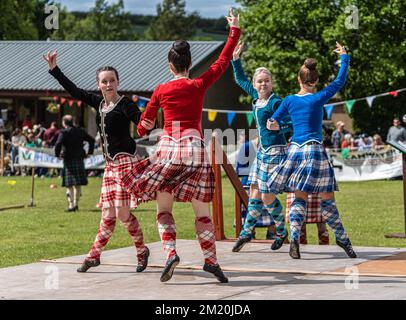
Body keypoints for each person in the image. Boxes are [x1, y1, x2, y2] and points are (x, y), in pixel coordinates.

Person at [124, 8, 241, 283]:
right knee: (202, 211)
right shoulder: (199, 84)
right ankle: (211, 261)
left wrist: (139, 127)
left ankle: (170, 253)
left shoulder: (161, 90)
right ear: (189, 65)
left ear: (170, 66)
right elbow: (223, 61)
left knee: (164, 209)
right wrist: (234, 30)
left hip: (168, 149)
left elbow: (144, 126)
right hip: (195, 148)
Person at [43, 50, 154, 273]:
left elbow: (143, 124)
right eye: (104, 81)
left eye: (112, 80)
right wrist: (54, 69)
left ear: (118, 82)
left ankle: (142, 250)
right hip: (110, 166)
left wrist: (148, 122)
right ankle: (94, 256)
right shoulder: (98, 103)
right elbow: (74, 90)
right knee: (107, 214)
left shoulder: (126, 105)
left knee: (123, 214)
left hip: (125, 164)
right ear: (99, 84)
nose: (108, 84)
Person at [267, 42, 357, 259]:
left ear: (299, 79)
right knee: (327, 199)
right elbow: (339, 81)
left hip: (295, 151)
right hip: (315, 151)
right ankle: (343, 239)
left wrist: (276, 124)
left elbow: (272, 121)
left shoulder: (288, 100)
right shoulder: (319, 97)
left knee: (300, 198)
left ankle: (295, 239)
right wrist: (344, 57)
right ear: (315, 81)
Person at [230, 41, 291, 253]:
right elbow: (239, 79)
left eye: (266, 81)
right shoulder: (256, 97)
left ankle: (281, 231)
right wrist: (235, 58)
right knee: (253, 192)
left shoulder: (277, 102)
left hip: (276, 152)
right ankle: (246, 233)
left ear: (271, 83)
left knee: (265, 195)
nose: (263, 84)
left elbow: (292, 123)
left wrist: (279, 126)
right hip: (263, 152)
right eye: (259, 81)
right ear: (255, 85)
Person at [235, 134, 277, 240]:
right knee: (250, 214)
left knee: (270, 214)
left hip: (264, 187)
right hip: (249, 186)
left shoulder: (270, 147)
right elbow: (239, 170)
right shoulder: (247, 147)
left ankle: (271, 236)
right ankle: (250, 235)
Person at [55, 115, 95, 212]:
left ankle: (71, 205)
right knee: (77, 183)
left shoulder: (64, 132)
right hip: (79, 158)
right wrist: (89, 153)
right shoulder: (80, 131)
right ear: (72, 122)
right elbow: (91, 140)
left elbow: (58, 144)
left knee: (69, 184)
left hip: (68, 159)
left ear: (64, 123)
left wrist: (57, 154)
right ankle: (76, 204)